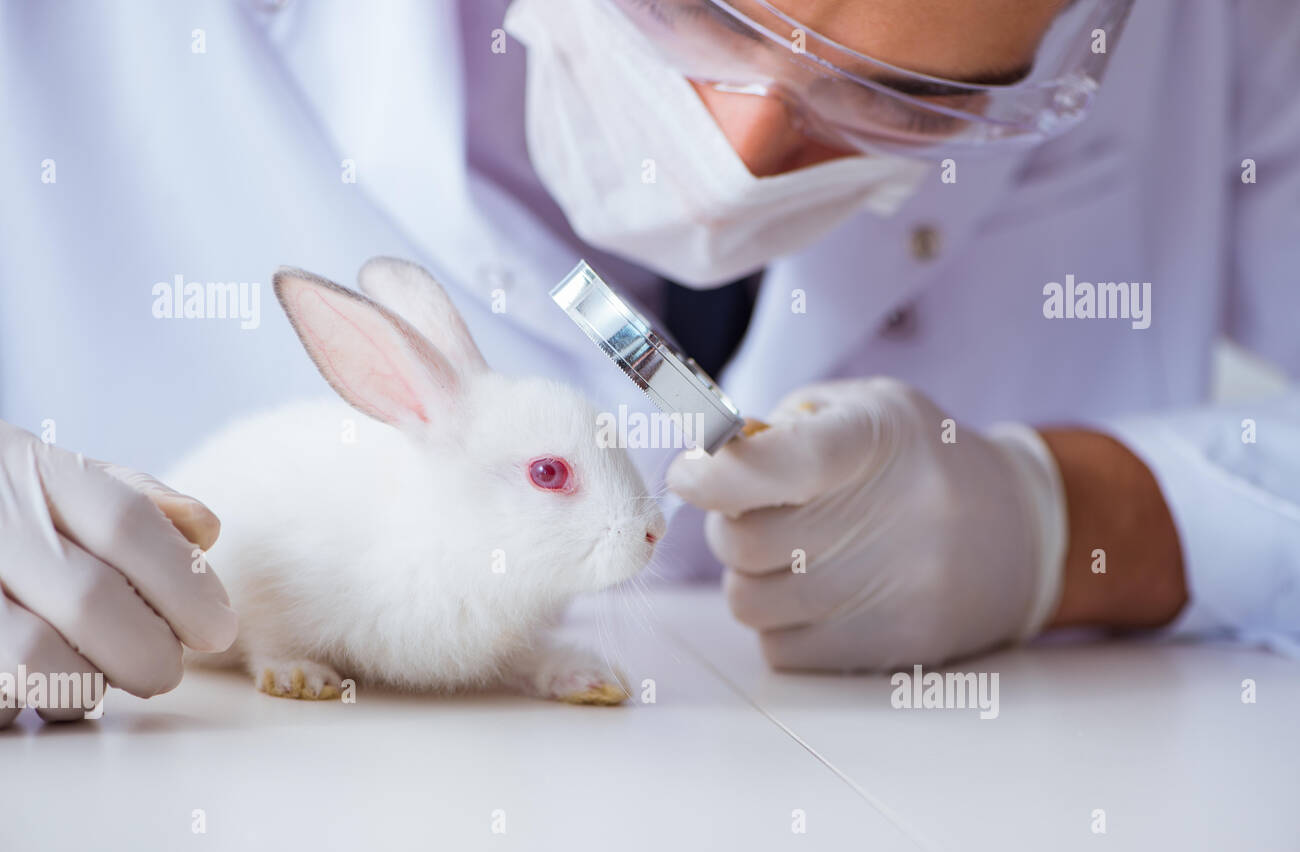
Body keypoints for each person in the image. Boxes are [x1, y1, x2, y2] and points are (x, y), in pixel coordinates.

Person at [0, 0, 1296, 726]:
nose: (743, 144)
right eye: (692, 7)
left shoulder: (1224, 33)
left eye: (914, 98)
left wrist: (1081, 515)